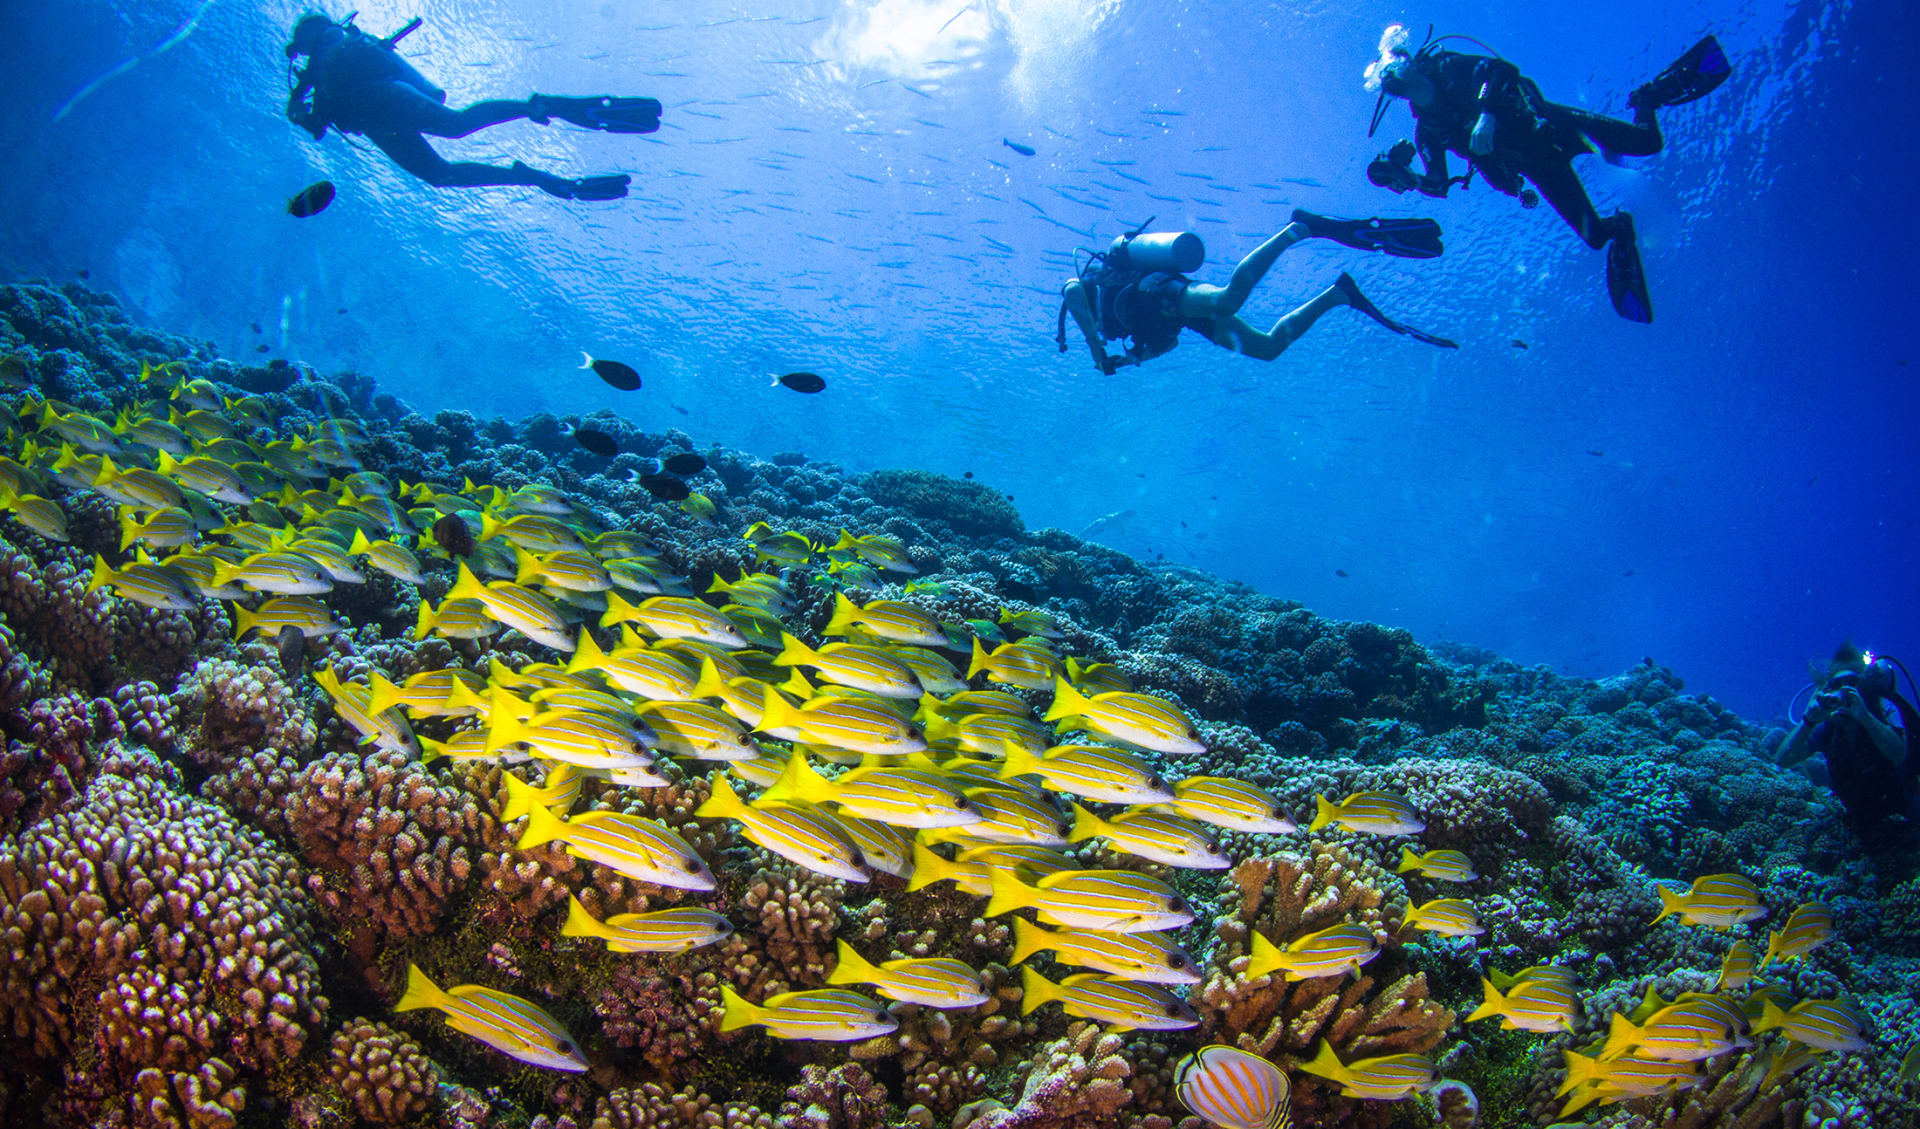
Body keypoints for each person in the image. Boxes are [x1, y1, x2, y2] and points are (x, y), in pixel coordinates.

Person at [1362, 26, 1731, 323]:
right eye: (1384, 76)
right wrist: (1411, 181)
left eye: (1391, 64)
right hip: (1538, 167)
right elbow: (1440, 184)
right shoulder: (1427, 131)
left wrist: (1488, 114)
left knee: (1648, 141)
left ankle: (1646, 98)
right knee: (1596, 237)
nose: (1389, 74)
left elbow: (1501, 70)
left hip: (1552, 127)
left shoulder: (1448, 67)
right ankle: (1620, 228)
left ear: (1408, 60)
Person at [283, 12, 662, 201]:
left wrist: (301, 101)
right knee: (439, 174)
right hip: (376, 121)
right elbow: (319, 126)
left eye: (299, 39)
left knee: (455, 125)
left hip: (379, 96)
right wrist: (304, 108)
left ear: (310, 33)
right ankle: (530, 175)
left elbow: (326, 92)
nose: (298, 48)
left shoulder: (329, 40)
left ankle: (538, 105)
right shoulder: (319, 63)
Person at [1055, 210, 1456, 374]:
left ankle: (1297, 229)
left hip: (1153, 290)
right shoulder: (1113, 330)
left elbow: (1071, 289)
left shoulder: (1089, 291)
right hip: (1175, 319)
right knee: (1266, 349)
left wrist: (1095, 351)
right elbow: (1166, 344)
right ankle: (1338, 294)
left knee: (1228, 298)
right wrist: (1129, 359)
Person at [1776, 646, 1920, 843]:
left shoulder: (1880, 710)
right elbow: (1783, 760)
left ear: (1863, 687)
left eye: (1852, 683)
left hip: (1904, 805)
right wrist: (1808, 721)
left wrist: (1866, 718)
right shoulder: (1829, 726)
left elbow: (1899, 754)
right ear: (1829, 688)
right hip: (1858, 816)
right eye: (1838, 683)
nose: (1845, 689)